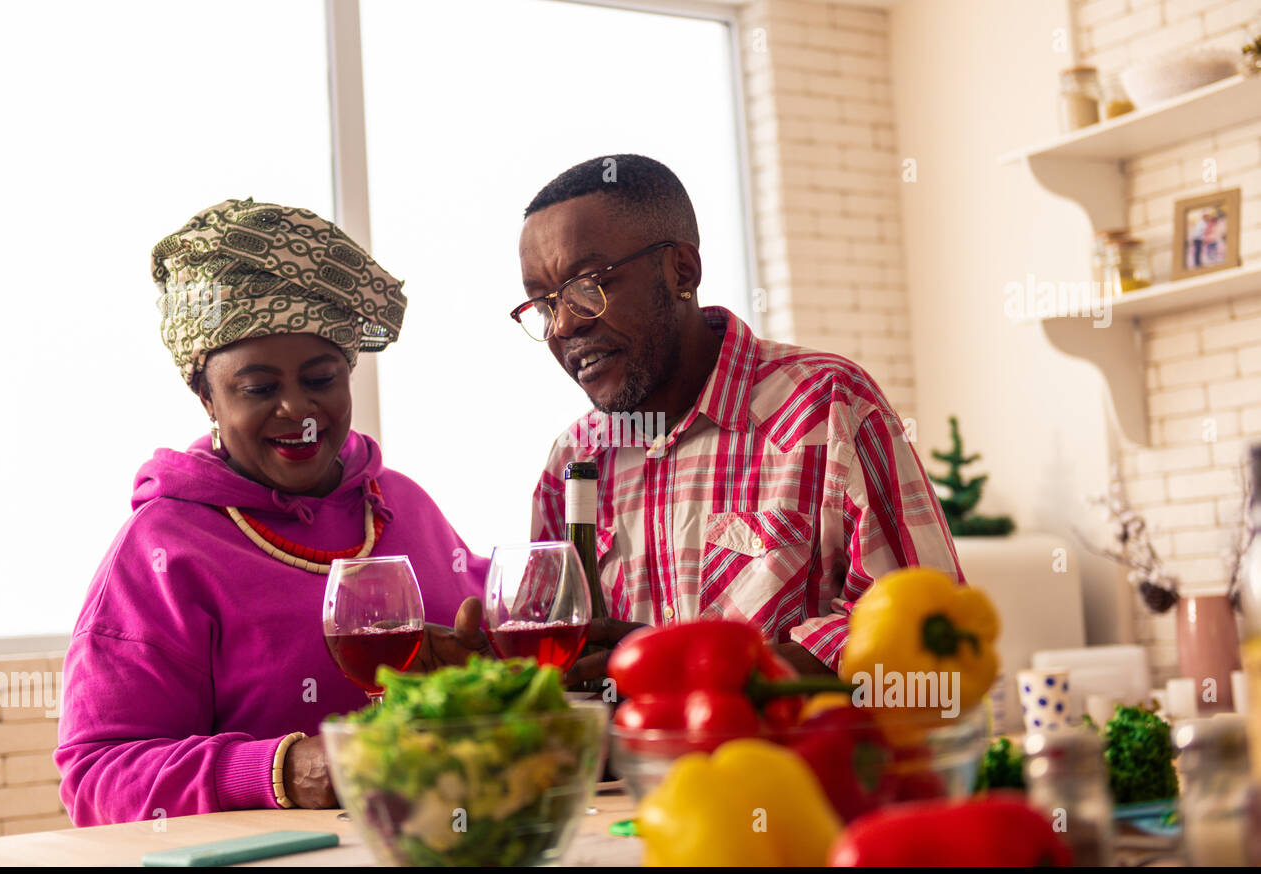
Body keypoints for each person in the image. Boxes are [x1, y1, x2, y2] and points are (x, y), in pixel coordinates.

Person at [56, 198, 489, 825]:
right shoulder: (164, 548)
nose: (297, 410)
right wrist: (288, 770)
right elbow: (99, 775)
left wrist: (484, 683)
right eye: (259, 389)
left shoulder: (403, 506)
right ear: (205, 394)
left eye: (321, 378)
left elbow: (486, 677)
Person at [517, 155, 964, 682]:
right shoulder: (573, 462)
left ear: (681, 270)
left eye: (588, 285)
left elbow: (931, 637)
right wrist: (483, 670)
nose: (564, 325)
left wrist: (696, 672)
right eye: (544, 306)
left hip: (796, 765)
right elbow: (552, 664)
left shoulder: (828, 406)